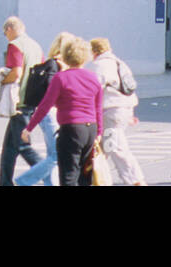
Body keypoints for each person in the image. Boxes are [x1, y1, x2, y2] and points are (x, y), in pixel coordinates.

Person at [22, 36, 102, 186]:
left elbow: (45, 105)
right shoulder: (93, 78)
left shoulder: (61, 78)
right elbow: (98, 107)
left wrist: (29, 128)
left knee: (68, 175)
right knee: (85, 176)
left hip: (71, 128)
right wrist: (99, 133)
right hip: (90, 128)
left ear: (65, 55)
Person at [13, 31, 73, 186]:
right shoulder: (56, 65)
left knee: (52, 154)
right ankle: (24, 181)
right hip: (51, 112)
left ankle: (49, 184)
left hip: (48, 113)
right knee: (56, 155)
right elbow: (53, 88)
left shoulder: (52, 63)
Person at [87, 37, 145, 185]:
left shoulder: (99, 65)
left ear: (93, 51)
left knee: (115, 148)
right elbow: (129, 90)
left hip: (110, 112)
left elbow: (93, 90)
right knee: (103, 149)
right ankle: (98, 179)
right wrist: (130, 113)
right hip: (123, 110)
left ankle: (135, 181)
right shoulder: (120, 64)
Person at [0, 16, 45, 186]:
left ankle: (48, 173)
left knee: (24, 147)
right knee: (9, 150)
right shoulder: (36, 46)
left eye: (5, 33)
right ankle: (5, 183)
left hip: (20, 102)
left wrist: (1, 81)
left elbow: (16, 72)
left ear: (10, 29)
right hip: (31, 101)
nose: (6, 37)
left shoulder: (15, 45)